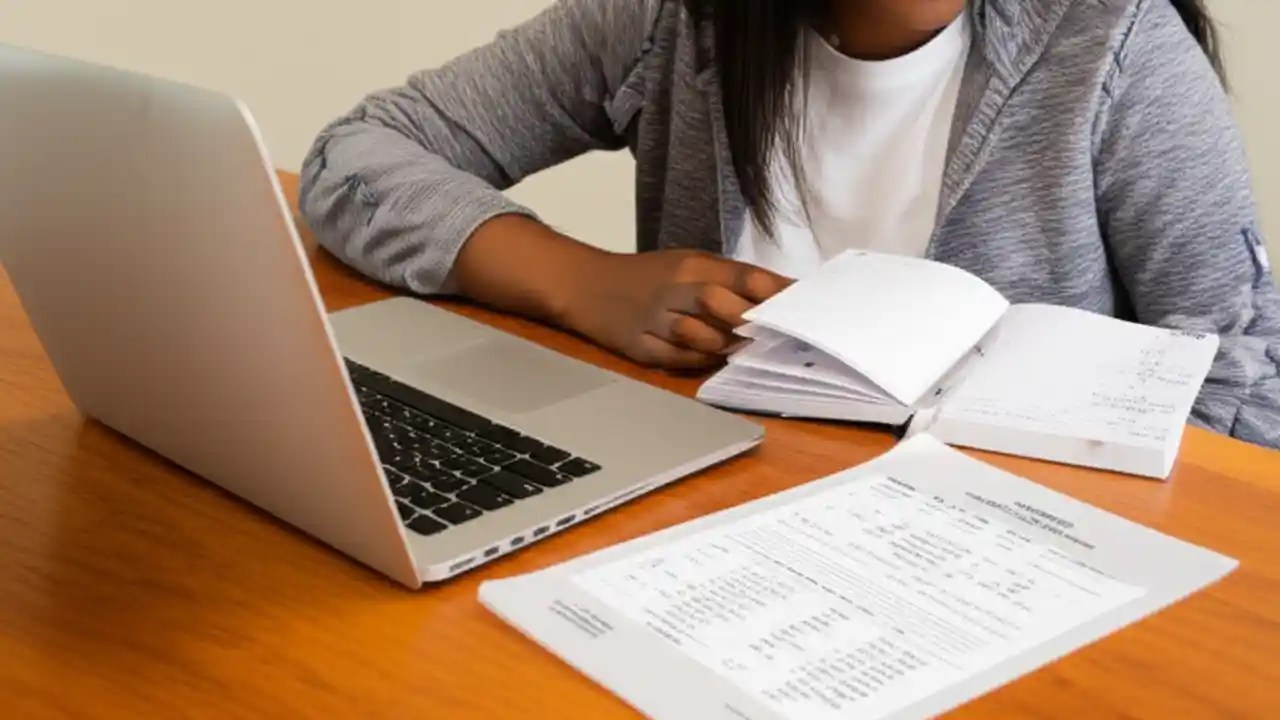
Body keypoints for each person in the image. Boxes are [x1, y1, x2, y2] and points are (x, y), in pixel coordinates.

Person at [299, 0, 1280, 448]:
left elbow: (1245, 383)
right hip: (706, 506)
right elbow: (356, 160)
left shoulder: (1113, 44)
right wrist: (579, 280)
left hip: (997, 552)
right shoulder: (668, 21)